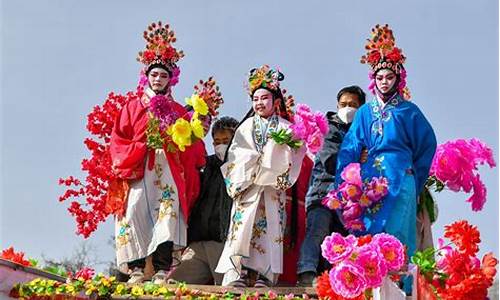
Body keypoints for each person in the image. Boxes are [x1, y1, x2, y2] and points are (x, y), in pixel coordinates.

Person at [336, 24, 437, 293]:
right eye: (379, 76)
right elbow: (350, 146)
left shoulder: (409, 111)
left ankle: (400, 291)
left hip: (402, 179)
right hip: (371, 180)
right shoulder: (365, 112)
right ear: (373, 79)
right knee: (369, 233)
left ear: (398, 79)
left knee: (399, 235)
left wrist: (415, 177)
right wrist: (347, 180)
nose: (384, 81)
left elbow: (427, 145)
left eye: (389, 77)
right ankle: (372, 288)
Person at [109, 21, 206, 285]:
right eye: (154, 75)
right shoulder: (131, 107)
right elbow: (118, 140)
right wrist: (141, 146)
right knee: (134, 213)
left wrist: (186, 138)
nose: (158, 79)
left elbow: (191, 146)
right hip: (140, 166)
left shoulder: (178, 110)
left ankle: (162, 268)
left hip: (167, 167)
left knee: (168, 212)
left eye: (163, 76)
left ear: (170, 79)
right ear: (146, 76)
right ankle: (138, 268)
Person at [215, 65, 306, 287]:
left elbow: (295, 154)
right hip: (249, 187)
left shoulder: (287, 128)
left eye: (264, 98)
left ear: (276, 101)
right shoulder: (245, 127)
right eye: (255, 99)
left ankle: (264, 275)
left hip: (272, 188)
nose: (259, 103)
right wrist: (255, 160)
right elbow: (235, 156)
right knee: (242, 230)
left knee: (269, 231)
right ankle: (239, 273)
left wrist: (274, 159)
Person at [296, 86, 366, 286]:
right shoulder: (328, 127)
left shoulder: (363, 130)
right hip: (323, 192)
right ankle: (306, 272)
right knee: (318, 231)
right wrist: (357, 158)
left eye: (352, 105)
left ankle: (339, 278)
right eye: (343, 105)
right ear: (337, 106)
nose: (347, 108)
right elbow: (329, 158)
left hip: (350, 198)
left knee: (342, 240)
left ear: (361, 108)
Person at [170, 116, 239, 285]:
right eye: (216, 141)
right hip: (197, 244)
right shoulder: (205, 164)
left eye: (226, 140)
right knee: (173, 287)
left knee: (229, 291)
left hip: (224, 244)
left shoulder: (242, 166)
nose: (220, 145)